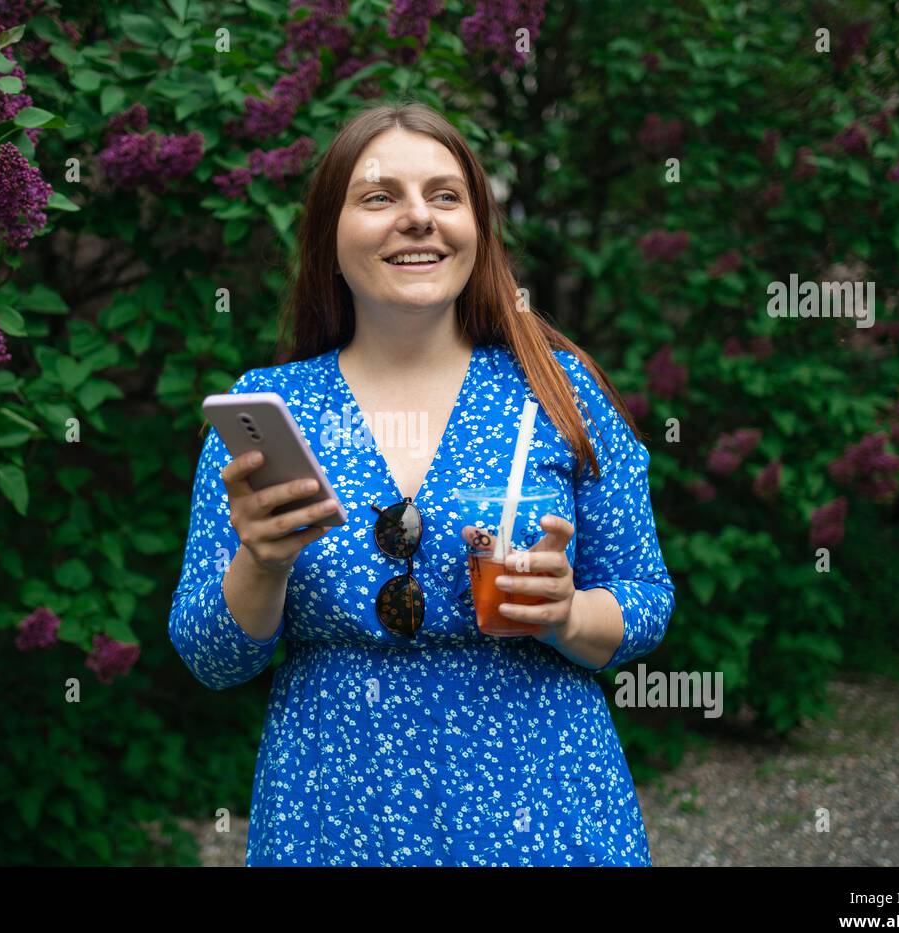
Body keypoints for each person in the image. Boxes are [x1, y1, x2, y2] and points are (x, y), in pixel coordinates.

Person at [169, 101, 676, 865]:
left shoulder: (556, 393)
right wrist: (262, 562)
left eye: (445, 196)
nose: (419, 218)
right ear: (328, 238)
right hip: (332, 822)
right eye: (379, 197)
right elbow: (210, 658)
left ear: (478, 228)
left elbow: (644, 599)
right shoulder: (271, 411)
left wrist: (568, 614)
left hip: (542, 820)